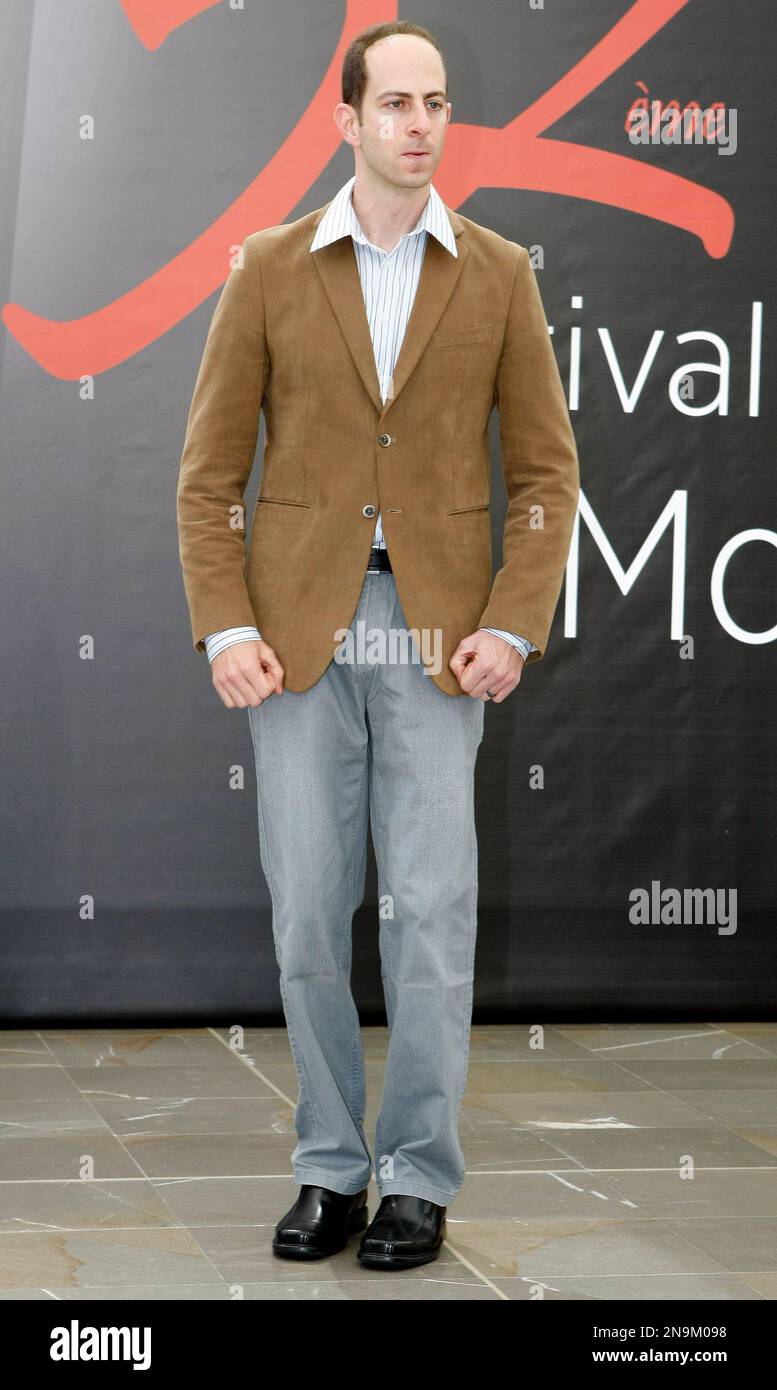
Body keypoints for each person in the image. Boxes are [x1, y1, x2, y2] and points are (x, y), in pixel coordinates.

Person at [177, 19, 579, 1272]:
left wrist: (514, 619)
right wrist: (226, 624)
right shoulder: (270, 267)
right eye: (395, 101)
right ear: (345, 120)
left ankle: (415, 1178)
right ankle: (328, 1167)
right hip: (297, 636)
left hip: (442, 636)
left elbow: (548, 476)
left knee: (434, 913)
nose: (419, 121)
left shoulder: (502, 271)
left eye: (436, 101)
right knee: (308, 912)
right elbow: (205, 478)